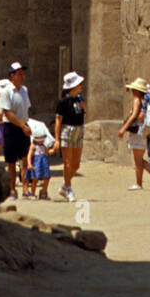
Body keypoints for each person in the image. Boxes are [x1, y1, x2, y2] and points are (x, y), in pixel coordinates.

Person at [0, 62, 32, 200]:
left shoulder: (24, 90)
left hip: (23, 127)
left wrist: (26, 125)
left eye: (23, 73)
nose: (22, 76)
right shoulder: (6, 91)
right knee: (11, 161)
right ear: (12, 76)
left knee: (25, 159)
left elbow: (26, 108)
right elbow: (7, 112)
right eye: (19, 74)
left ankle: (25, 188)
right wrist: (21, 126)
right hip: (11, 128)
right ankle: (12, 189)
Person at [54, 71, 86, 201]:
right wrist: (57, 139)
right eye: (79, 84)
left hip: (79, 129)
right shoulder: (63, 102)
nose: (81, 86)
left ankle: (64, 186)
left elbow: (83, 114)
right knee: (67, 163)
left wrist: (84, 108)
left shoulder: (79, 99)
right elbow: (58, 120)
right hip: (67, 130)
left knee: (76, 164)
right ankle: (69, 187)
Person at [118, 77, 150, 190]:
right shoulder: (146, 101)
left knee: (138, 160)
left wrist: (124, 127)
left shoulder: (137, 100)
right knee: (139, 159)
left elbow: (134, 115)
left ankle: (139, 183)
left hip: (137, 131)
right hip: (143, 130)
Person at [25, 117, 56, 199]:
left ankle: (44, 191)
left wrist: (53, 150)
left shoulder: (43, 145)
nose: (42, 141)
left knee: (47, 177)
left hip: (44, 163)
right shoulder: (33, 146)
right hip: (36, 164)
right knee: (35, 179)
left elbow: (47, 152)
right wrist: (29, 164)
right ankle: (32, 193)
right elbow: (29, 155)